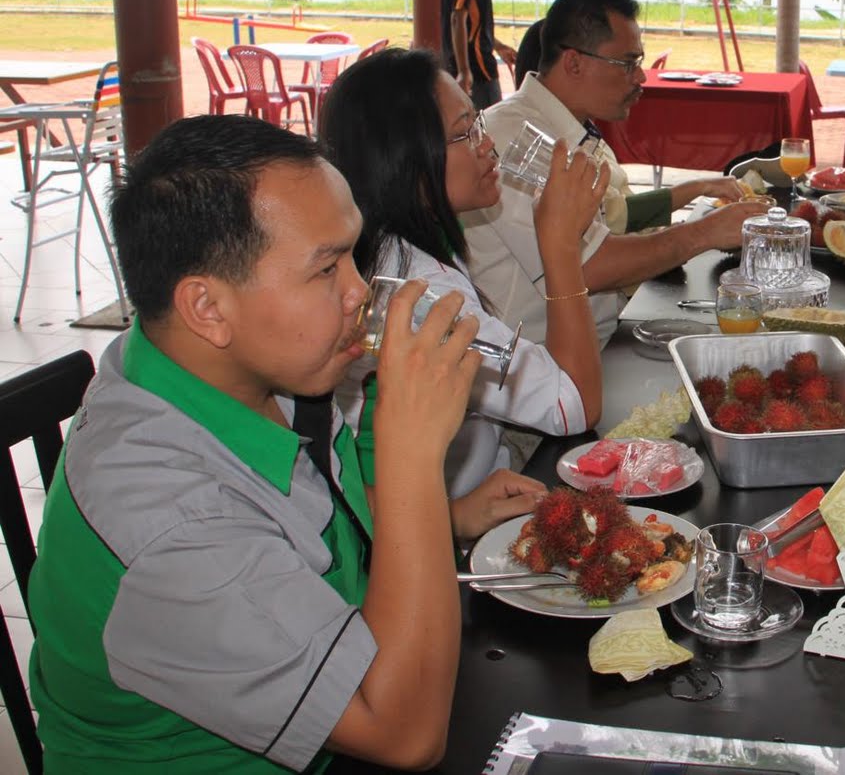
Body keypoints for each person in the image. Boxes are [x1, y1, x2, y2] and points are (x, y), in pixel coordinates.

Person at [28, 115, 543, 771]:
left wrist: (449, 513)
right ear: (207, 307)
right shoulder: (169, 520)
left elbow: (310, 510)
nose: (360, 292)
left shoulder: (237, 365)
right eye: (327, 267)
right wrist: (414, 451)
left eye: (353, 255)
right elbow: (407, 734)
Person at [319, 47, 608, 486]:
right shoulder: (420, 291)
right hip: (446, 511)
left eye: (478, 122)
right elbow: (575, 406)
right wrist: (561, 247)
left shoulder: (397, 242)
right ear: (408, 160)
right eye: (465, 132)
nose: (487, 143)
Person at [464, 0, 766, 342]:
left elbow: (609, 232)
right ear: (574, 62)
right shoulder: (514, 138)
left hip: (601, 336)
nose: (640, 77)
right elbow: (589, 267)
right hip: (537, 368)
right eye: (627, 63)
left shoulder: (571, 130)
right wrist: (704, 232)